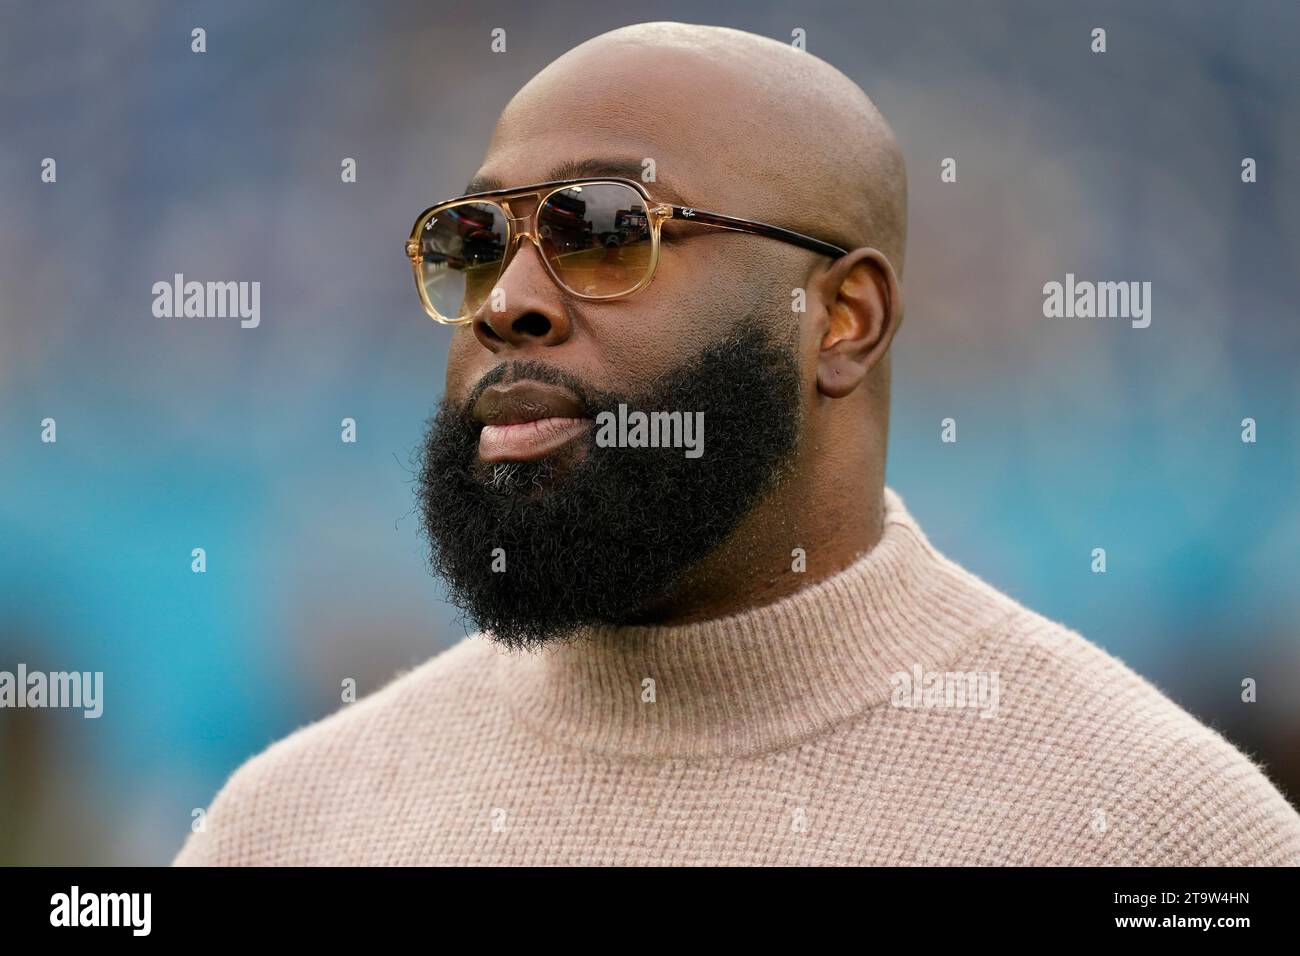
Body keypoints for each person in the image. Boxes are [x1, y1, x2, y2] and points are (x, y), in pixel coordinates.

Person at [174, 22, 1300, 866]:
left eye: (605, 229)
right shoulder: (286, 827)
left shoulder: (1159, 831)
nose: (506, 300)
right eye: (472, 241)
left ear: (842, 319)